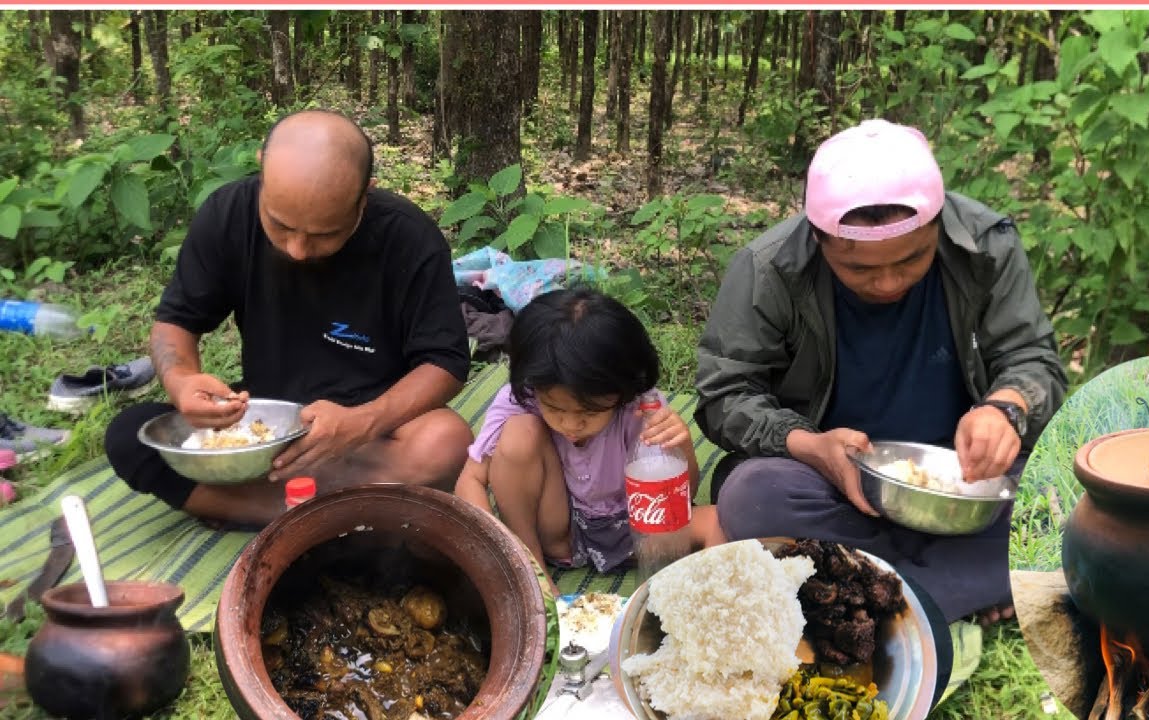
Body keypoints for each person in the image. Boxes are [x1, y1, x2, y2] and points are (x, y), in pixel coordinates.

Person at [694, 118, 1067, 626]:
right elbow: (725, 397)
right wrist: (812, 446)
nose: (888, 282)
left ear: (937, 225)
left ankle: (854, 587)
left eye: (912, 260)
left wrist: (1006, 408)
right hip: (830, 484)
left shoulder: (985, 247)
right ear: (819, 239)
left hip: (961, 486)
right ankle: (955, 587)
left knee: (1073, 503)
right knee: (753, 496)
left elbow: (1034, 358)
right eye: (860, 270)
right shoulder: (769, 268)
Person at [104, 109, 473, 528]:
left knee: (447, 441)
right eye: (279, 226)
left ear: (364, 195)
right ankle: (307, 515)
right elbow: (175, 322)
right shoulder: (227, 214)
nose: (297, 249)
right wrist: (182, 381)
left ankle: (281, 504)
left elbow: (445, 361)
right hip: (268, 424)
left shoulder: (409, 237)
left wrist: (364, 422)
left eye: (324, 234)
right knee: (130, 435)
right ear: (262, 168)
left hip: (368, 433)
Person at [456, 287, 724, 583]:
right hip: (561, 533)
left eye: (590, 413)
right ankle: (533, 577)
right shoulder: (521, 397)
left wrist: (681, 444)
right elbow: (470, 480)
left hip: (635, 529)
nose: (570, 425)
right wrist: (501, 548)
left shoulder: (642, 406)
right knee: (520, 433)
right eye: (554, 408)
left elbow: (682, 495)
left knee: (719, 522)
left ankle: (698, 610)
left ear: (621, 392)